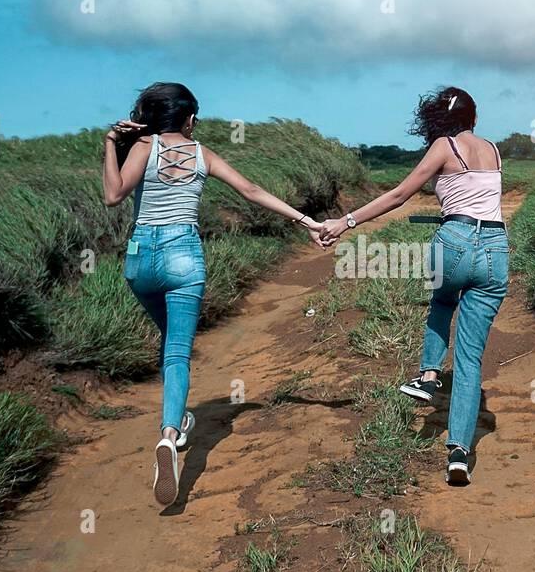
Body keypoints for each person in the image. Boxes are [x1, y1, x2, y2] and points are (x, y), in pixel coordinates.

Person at [102, 82, 324, 506]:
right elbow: (252, 192)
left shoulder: (142, 147)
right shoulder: (203, 154)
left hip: (140, 260)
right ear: (188, 120)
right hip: (184, 257)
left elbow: (114, 195)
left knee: (170, 345)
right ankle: (168, 437)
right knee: (177, 352)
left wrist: (111, 143)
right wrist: (307, 221)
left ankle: (179, 419)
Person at [320, 86, 507, 485]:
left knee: (442, 301)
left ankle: (427, 376)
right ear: (474, 118)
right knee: (471, 360)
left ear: (437, 121)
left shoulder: (444, 146)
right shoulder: (493, 148)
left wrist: (346, 222)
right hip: (495, 248)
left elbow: (401, 193)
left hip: (454, 239)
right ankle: (459, 452)